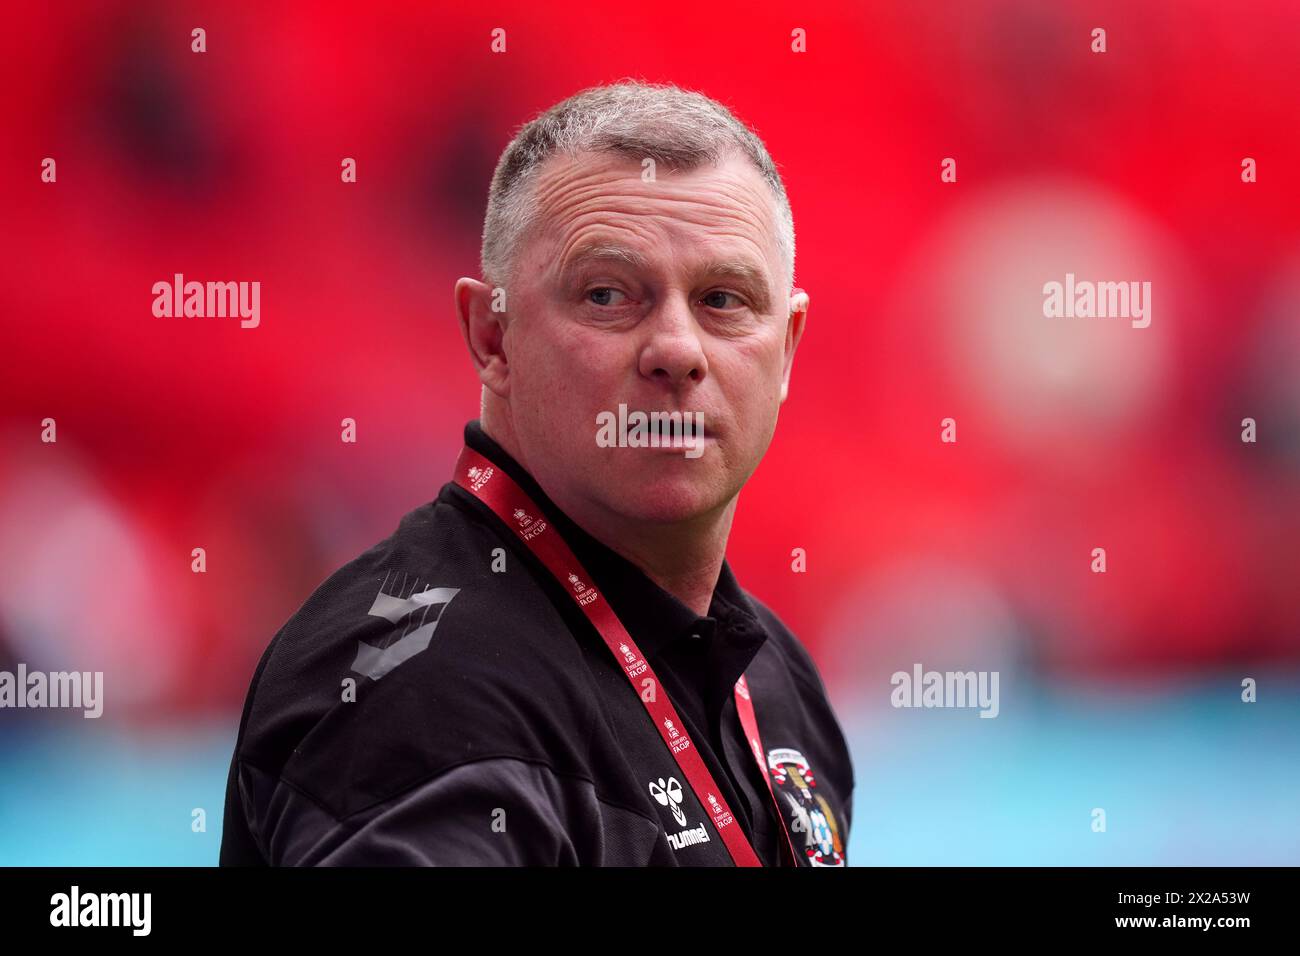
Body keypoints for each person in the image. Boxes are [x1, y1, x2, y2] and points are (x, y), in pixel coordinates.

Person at [220, 80, 854, 866]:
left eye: (723, 300)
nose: (678, 351)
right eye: (608, 295)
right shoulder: (416, 688)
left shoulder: (778, 682)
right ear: (492, 336)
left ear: (786, 347)